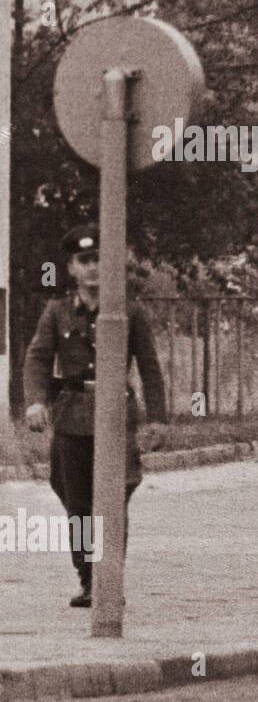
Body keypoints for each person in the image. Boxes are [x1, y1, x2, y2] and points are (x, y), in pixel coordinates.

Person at [22, 223, 167, 607]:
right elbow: (37, 359)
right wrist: (35, 401)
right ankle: (89, 578)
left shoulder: (129, 312)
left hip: (117, 415)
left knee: (115, 497)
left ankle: (110, 577)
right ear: (71, 268)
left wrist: (157, 419)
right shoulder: (56, 312)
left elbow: (150, 367)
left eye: (100, 259)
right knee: (78, 503)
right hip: (72, 416)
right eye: (84, 261)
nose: (93, 268)